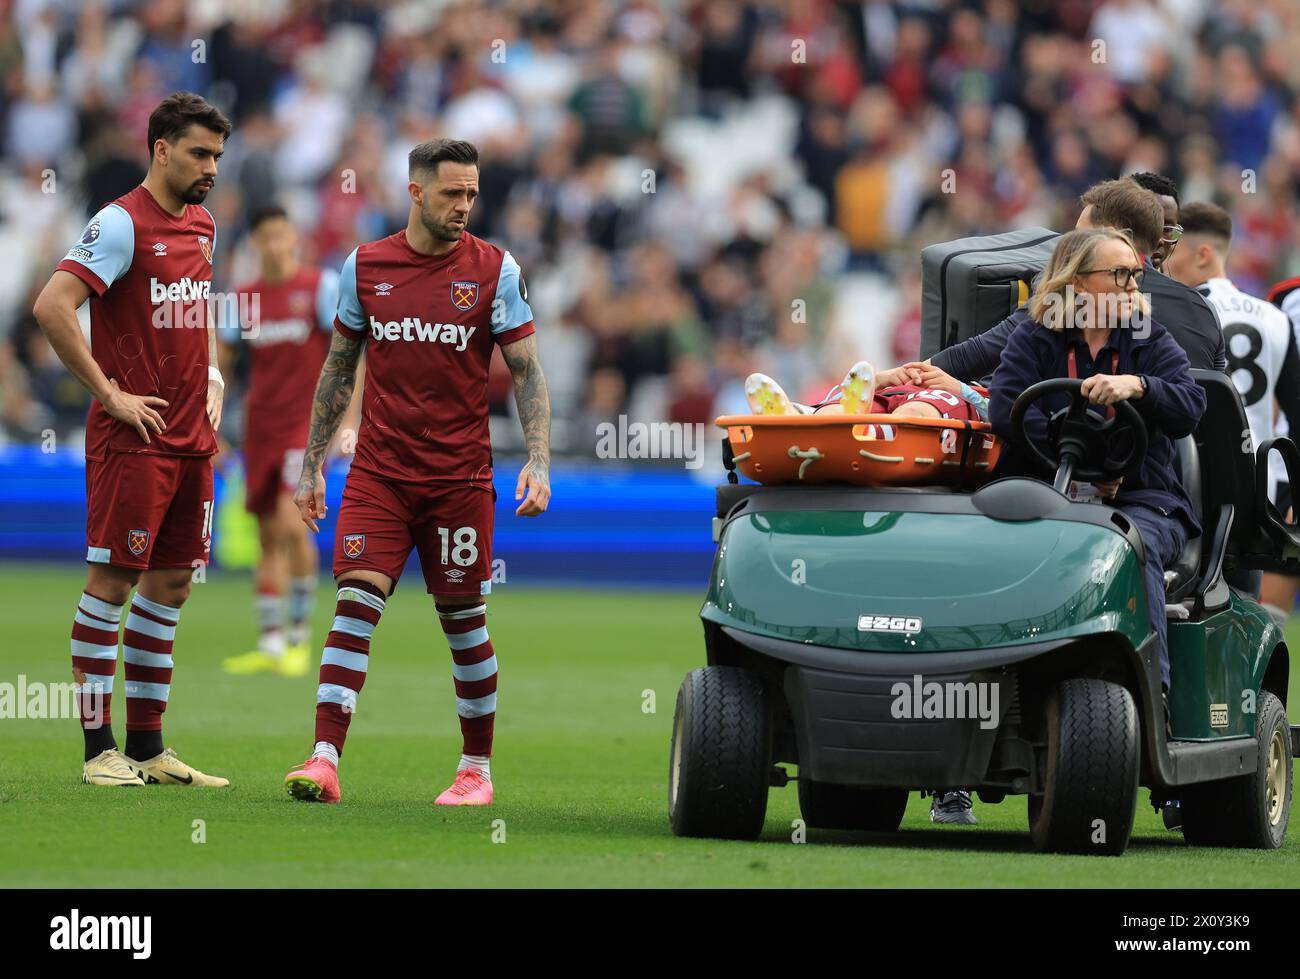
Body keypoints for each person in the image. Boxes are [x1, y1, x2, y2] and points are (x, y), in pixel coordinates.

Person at [281, 138, 552, 806]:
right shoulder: (365, 266)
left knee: (463, 621)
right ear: (414, 192)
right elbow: (339, 366)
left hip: (458, 481)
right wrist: (312, 464)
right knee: (354, 603)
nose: (464, 206)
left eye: (471, 194)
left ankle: (476, 770)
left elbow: (527, 371)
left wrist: (539, 459)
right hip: (380, 472)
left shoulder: (495, 269)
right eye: (451, 193)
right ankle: (323, 758)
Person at [31, 92, 233, 788]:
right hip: (135, 437)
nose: (211, 167)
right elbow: (53, 304)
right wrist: (108, 393)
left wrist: (210, 367)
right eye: (200, 153)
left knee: (172, 582)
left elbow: (200, 303)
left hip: (191, 437)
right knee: (112, 582)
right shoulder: (120, 224)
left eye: (217, 155)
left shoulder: (204, 225)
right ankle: (97, 751)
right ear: (161, 149)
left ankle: (148, 746)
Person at [989, 228, 1206, 729]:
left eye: (1136, 275)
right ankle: (990, 694)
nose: (1134, 286)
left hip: (1144, 503)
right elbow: (1006, 410)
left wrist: (1139, 385)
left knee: (1128, 545)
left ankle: (1154, 699)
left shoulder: (1150, 338)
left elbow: (1191, 406)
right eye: (1121, 275)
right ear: (1079, 284)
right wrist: (1082, 466)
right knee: (988, 544)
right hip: (1050, 495)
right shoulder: (1037, 335)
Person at [900, 178, 1226, 385]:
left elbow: (979, 356)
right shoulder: (1203, 311)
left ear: (1111, 235)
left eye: (1078, 238)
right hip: (1186, 488)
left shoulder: (1071, 295)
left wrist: (902, 379)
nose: (1067, 248)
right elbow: (1218, 412)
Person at [217, 205, 346, 678]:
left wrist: (346, 420)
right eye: (265, 237)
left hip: (305, 430)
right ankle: (270, 643)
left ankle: (298, 640)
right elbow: (220, 361)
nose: (274, 245)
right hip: (261, 428)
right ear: (255, 242)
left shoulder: (321, 287)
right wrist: (210, 423)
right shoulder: (241, 299)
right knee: (267, 532)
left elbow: (351, 353)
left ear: (294, 237)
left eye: (281, 235)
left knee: (294, 525)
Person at [1164, 201, 1300, 600]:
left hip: (1194, 478)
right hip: (1258, 485)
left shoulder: (1185, 310)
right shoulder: (1274, 316)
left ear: (1204, 254)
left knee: (1186, 599)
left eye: (1176, 254)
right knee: (1244, 606)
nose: (1168, 266)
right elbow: (1296, 409)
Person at [744, 360, 988, 421]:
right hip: (895, 390)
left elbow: (1004, 416)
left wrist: (963, 390)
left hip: (958, 393)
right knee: (840, 411)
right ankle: (799, 420)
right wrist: (882, 379)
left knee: (914, 414)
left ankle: (801, 418)